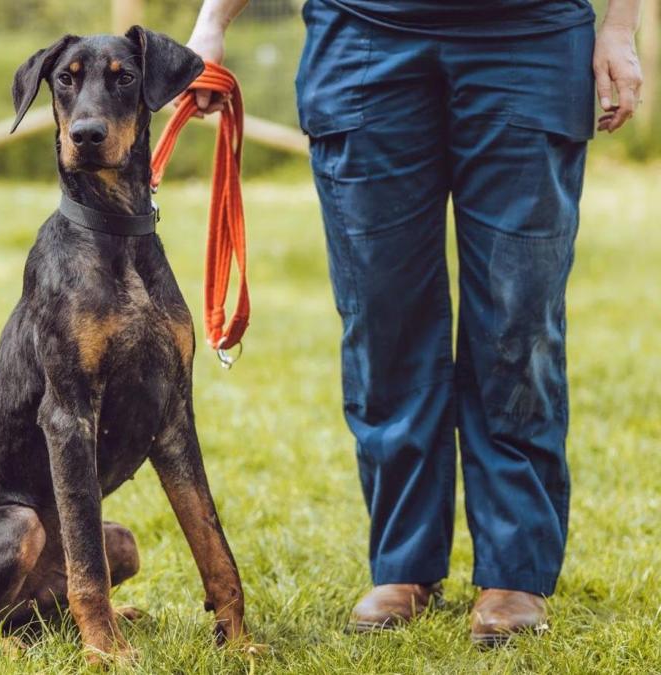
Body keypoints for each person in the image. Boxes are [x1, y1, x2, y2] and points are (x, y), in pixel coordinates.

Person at [183, 0, 645, 644]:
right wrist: (213, 22)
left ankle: (514, 572)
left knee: (520, 320)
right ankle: (403, 565)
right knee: (383, 317)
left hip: (528, 38)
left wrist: (620, 28)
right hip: (365, 38)